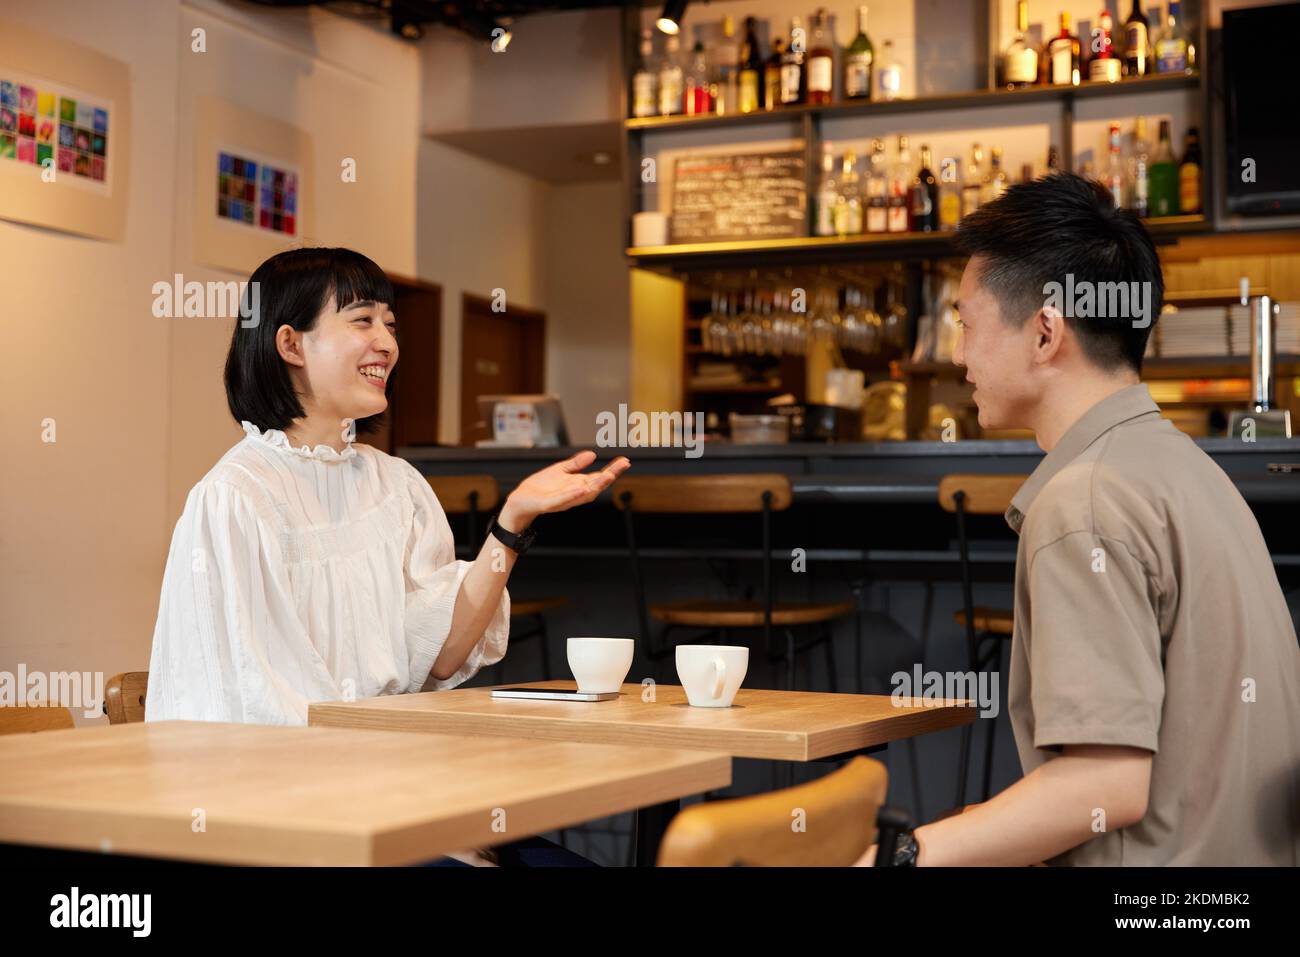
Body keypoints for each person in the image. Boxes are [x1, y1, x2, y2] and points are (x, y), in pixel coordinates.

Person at [860, 172, 1299, 866]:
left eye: (967, 324)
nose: (958, 352)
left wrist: (906, 854)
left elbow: (1107, 783)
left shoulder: (1083, 500)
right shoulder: (1189, 471)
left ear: (1044, 334)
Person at [146, 247, 629, 725]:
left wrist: (513, 520)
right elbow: (235, 697)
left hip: (385, 760)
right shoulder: (236, 497)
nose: (388, 345)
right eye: (362, 321)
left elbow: (439, 654)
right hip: (287, 781)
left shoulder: (397, 485)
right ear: (291, 344)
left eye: (391, 325)